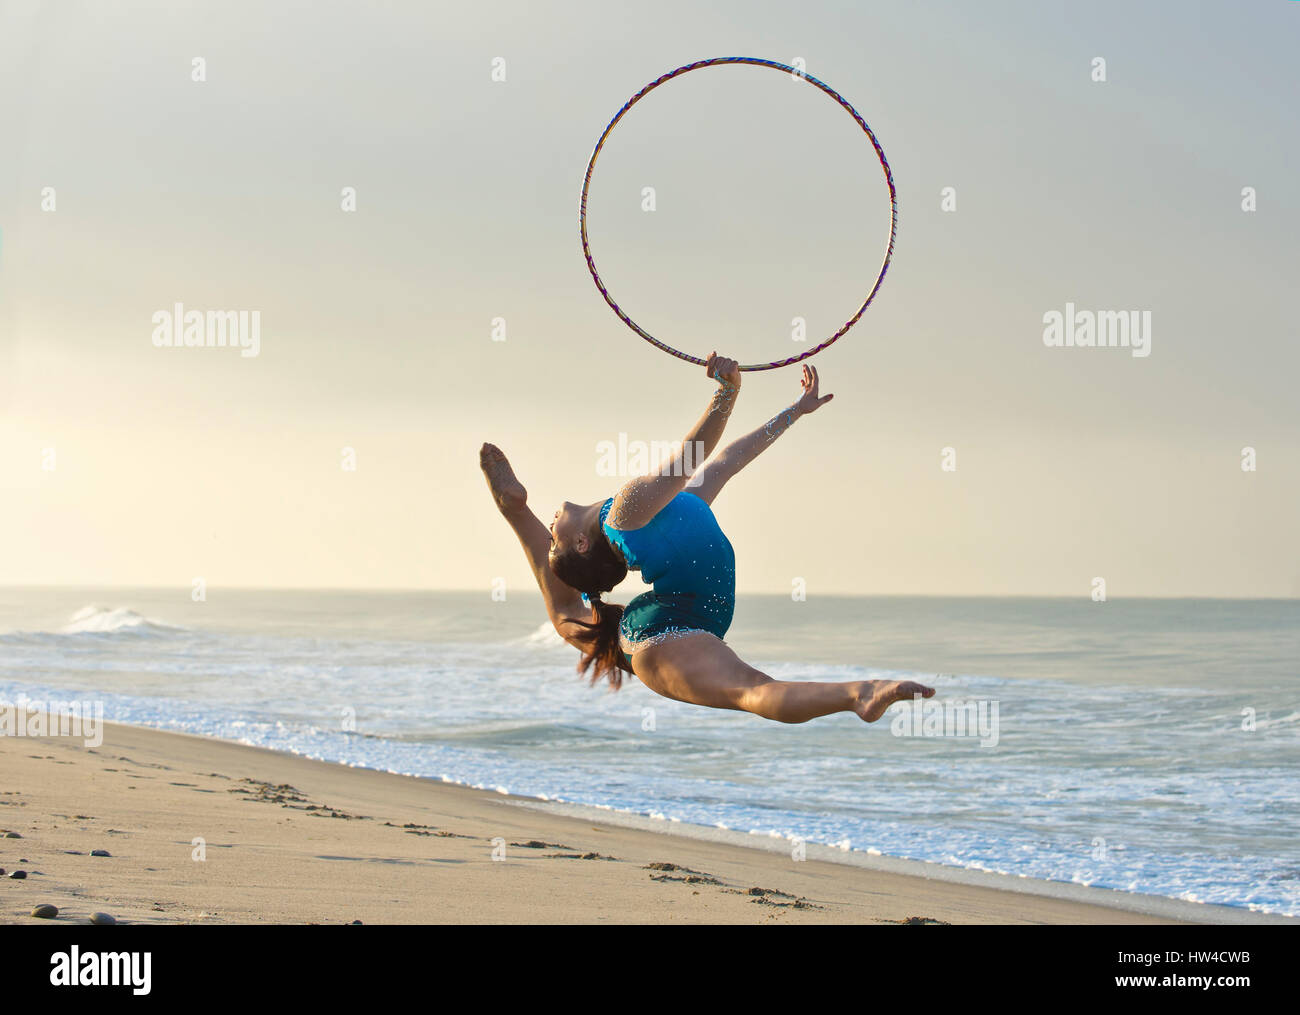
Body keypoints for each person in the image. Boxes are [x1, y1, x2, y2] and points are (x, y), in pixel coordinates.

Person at [480, 353, 934, 723]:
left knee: (566, 616)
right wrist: (727, 393)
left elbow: (730, 459)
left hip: (686, 620)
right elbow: (692, 455)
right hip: (670, 628)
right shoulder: (624, 511)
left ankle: (513, 510)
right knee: (750, 691)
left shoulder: (651, 513)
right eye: (554, 541)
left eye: (550, 543)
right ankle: (860, 695)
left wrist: (794, 412)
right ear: (581, 544)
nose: (553, 528)